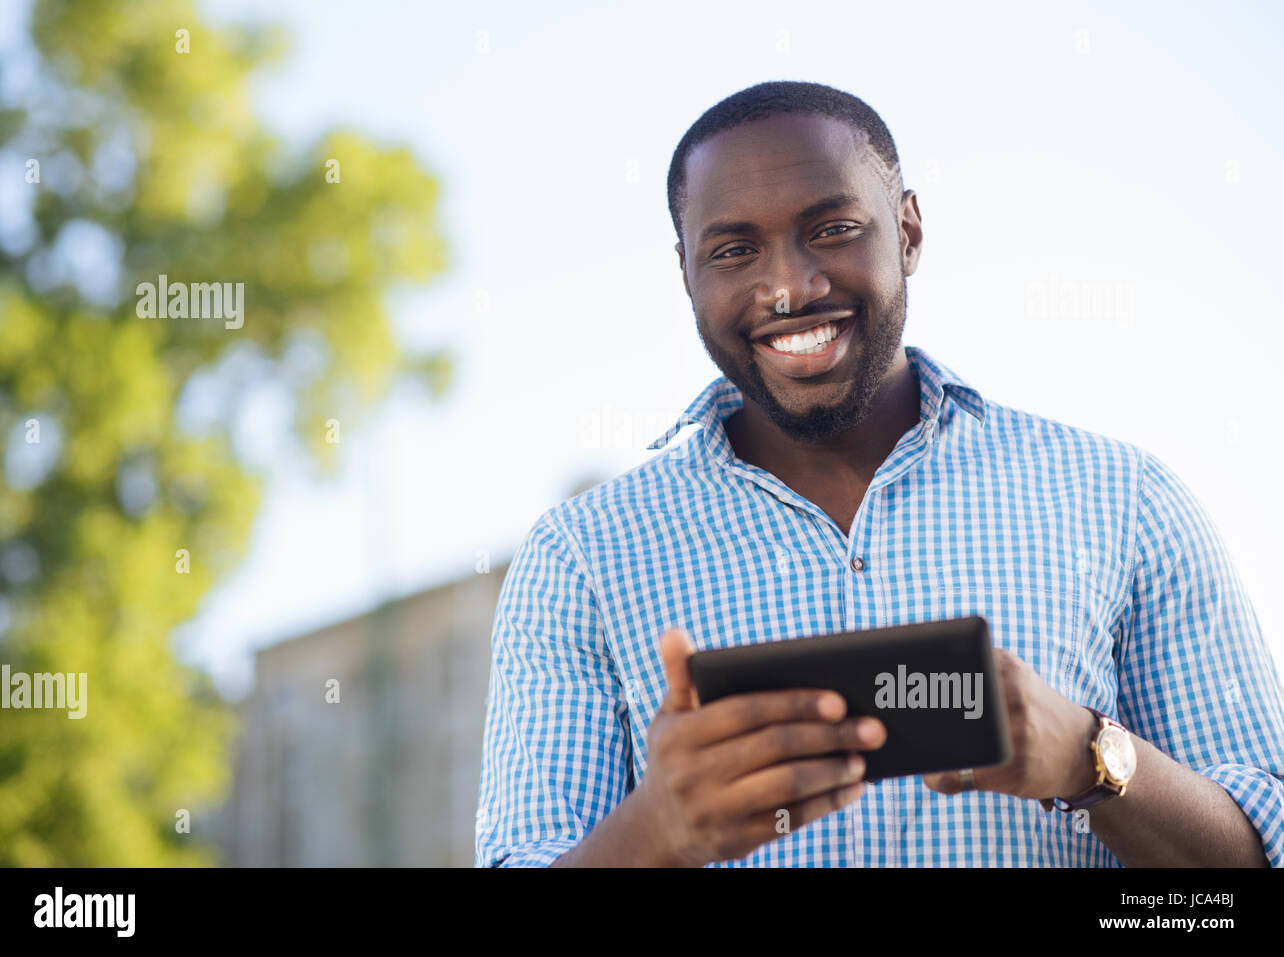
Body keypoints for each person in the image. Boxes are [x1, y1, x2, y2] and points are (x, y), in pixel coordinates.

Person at [475, 80, 1284, 867]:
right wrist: (656, 833)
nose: (790, 286)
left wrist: (1087, 757)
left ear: (908, 232)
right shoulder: (581, 557)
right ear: (687, 273)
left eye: (831, 229)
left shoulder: (1123, 498)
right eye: (733, 251)